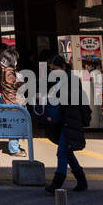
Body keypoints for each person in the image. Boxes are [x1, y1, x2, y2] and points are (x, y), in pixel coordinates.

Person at [37, 55, 88, 194]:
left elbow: (72, 97)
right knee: (67, 152)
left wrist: (50, 97)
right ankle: (81, 180)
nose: (52, 72)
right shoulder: (57, 81)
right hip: (62, 121)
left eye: (55, 69)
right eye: (51, 69)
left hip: (70, 121)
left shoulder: (72, 80)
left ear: (63, 67)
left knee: (62, 152)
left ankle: (57, 183)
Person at [0, 46, 26, 156]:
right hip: (13, 103)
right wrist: (22, 80)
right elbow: (16, 85)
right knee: (15, 127)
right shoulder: (9, 72)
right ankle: (14, 150)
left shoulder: (6, 71)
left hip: (11, 102)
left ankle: (15, 147)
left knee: (15, 126)